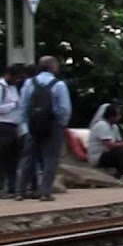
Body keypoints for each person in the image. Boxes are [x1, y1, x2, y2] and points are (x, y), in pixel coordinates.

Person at [17, 56, 71, 201]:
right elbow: (64, 109)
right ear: (52, 67)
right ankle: (45, 192)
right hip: (52, 126)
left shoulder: (29, 83)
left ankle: (20, 191)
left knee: (28, 159)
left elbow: (23, 107)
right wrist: (61, 124)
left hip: (32, 126)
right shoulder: (59, 85)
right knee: (50, 159)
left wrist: (24, 125)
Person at [88, 103, 123, 178]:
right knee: (122, 151)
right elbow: (110, 145)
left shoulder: (114, 127)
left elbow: (119, 142)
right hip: (99, 157)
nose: (120, 117)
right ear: (111, 116)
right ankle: (122, 173)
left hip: (109, 154)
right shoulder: (101, 125)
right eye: (118, 115)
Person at [0, 64, 23, 196]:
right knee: (3, 157)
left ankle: (12, 186)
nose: (17, 81)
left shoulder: (14, 88)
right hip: (3, 125)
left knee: (13, 158)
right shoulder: (1, 87)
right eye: (16, 78)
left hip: (14, 125)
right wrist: (13, 105)